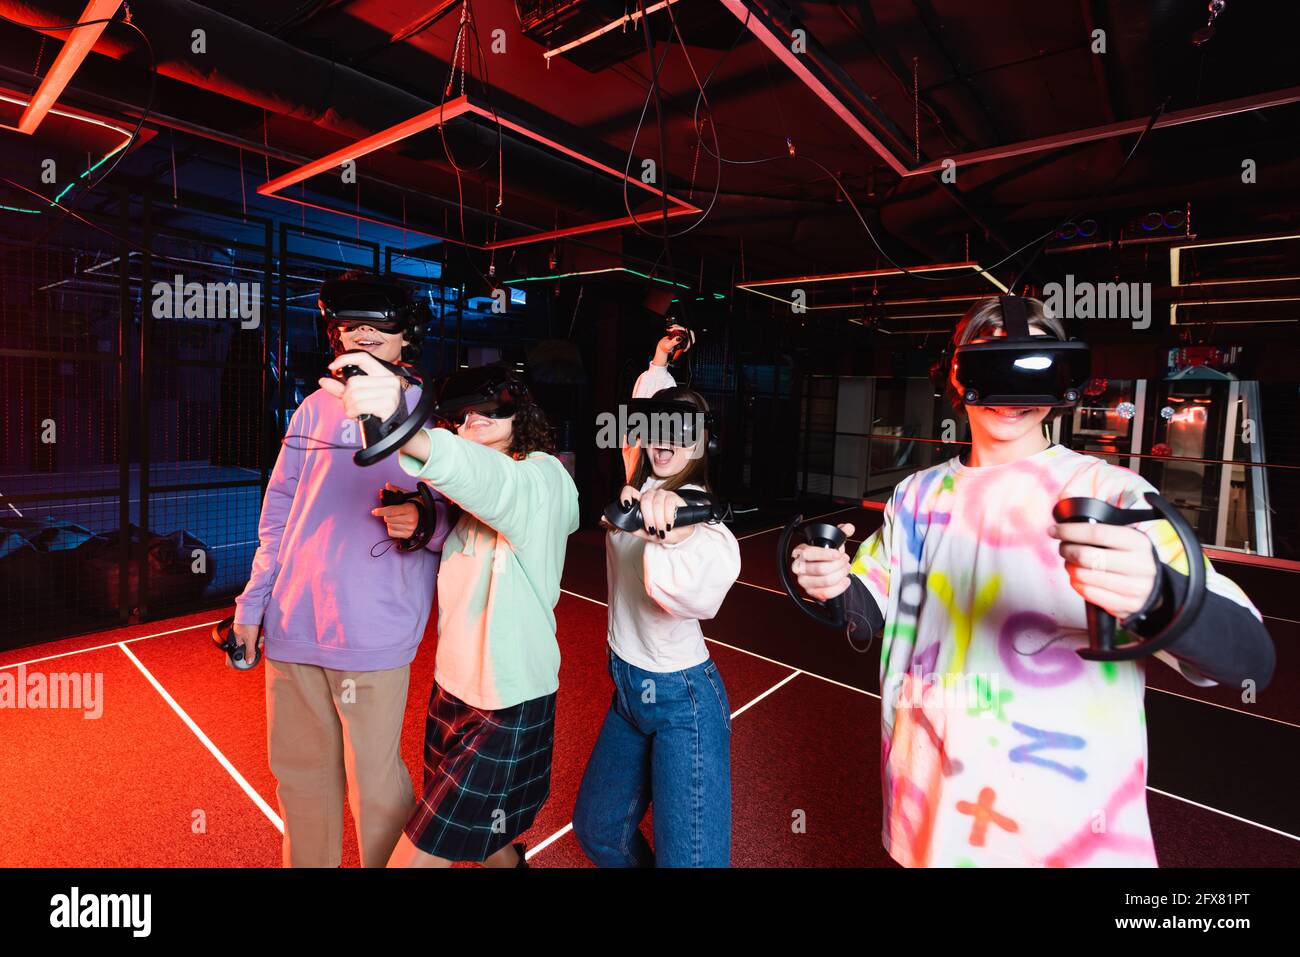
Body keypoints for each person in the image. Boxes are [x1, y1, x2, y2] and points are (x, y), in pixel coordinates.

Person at [790, 295, 1275, 868]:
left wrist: (1155, 595)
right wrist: (827, 577)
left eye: (1034, 365)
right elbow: (867, 605)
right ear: (957, 372)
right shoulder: (915, 496)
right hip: (927, 818)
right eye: (994, 364)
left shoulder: (1111, 495)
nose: (1013, 394)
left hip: (1066, 838)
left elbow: (1251, 660)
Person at [233, 271, 457, 868]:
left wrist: (425, 521)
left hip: (372, 633)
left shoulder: (438, 421)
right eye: (346, 329)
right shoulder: (312, 408)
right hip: (292, 625)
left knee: (377, 788)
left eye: (374, 329)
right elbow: (279, 509)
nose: (357, 340)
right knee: (302, 782)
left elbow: (467, 521)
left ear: (407, 336)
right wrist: (251, 606)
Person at [320, 358, 579, 868]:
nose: (474, 420)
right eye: (462, 416)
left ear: (521, 415)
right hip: (451, 690)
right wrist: (423, 518)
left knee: (418, 856)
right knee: (487, 834)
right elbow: (469, 497)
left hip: (508, 699)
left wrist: (403, 429)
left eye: (490, 410)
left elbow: (493, 483)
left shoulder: (544, 478)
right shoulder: (464, 503)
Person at [572, 325, 741, 867]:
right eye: (654, 430)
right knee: (597, 831)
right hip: (626, 687)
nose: (665, 441)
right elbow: (650, 403)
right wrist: (660, 356)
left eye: (680, 434)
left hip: (682, 699)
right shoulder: (641, 469)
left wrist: (673, 528)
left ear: (701, 444)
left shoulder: (690, 510)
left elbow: (705, 576)